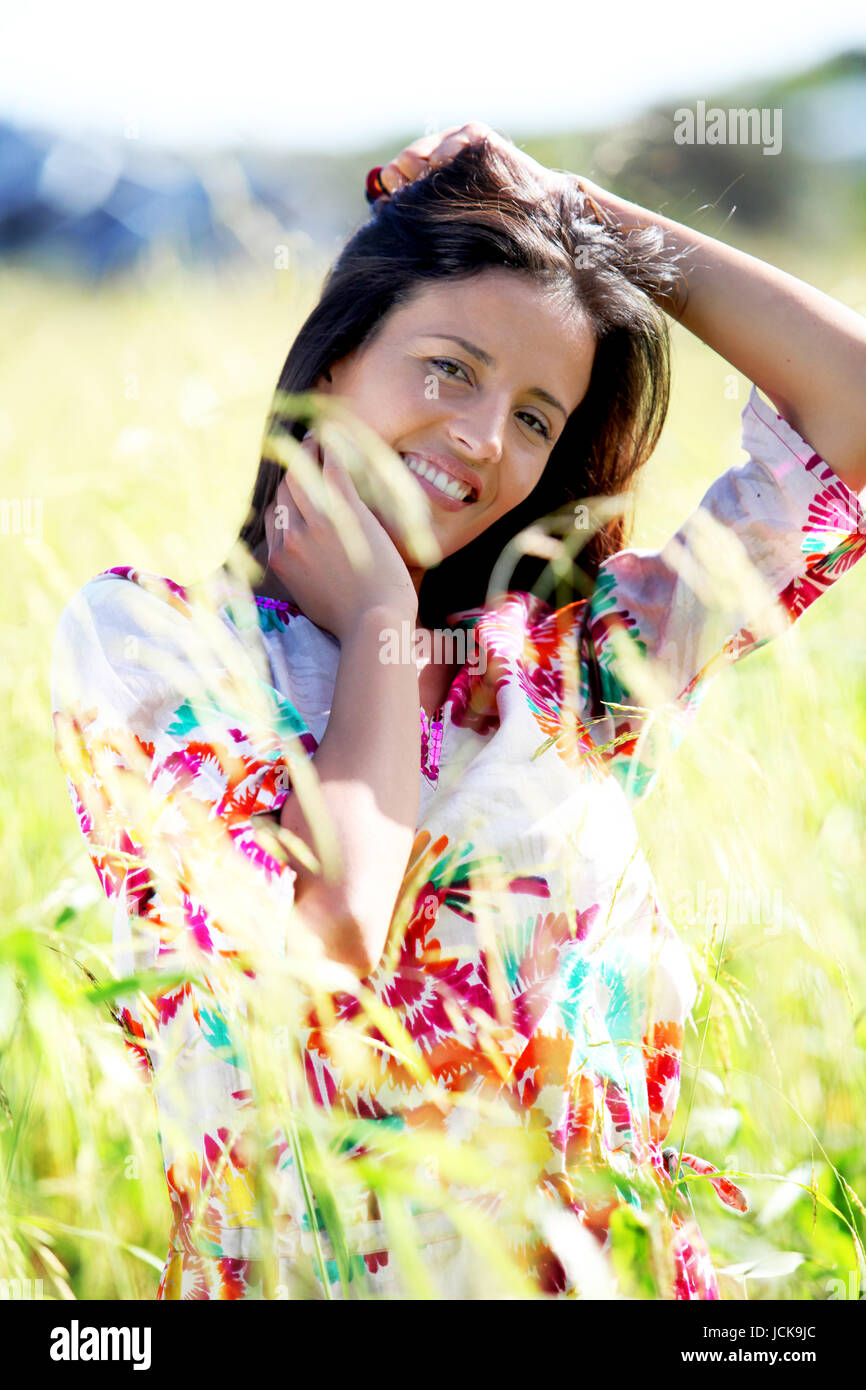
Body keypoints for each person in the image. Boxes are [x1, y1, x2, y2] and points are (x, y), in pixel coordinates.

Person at [51, 124, 866, 1301]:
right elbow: (319, 955)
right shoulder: (153, 649)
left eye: (537, 417)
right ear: (331, 365)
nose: (486, 439)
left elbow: (850, 410)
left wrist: (591, 216)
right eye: (448, 368)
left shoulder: (575, 668)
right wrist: (379, 621)